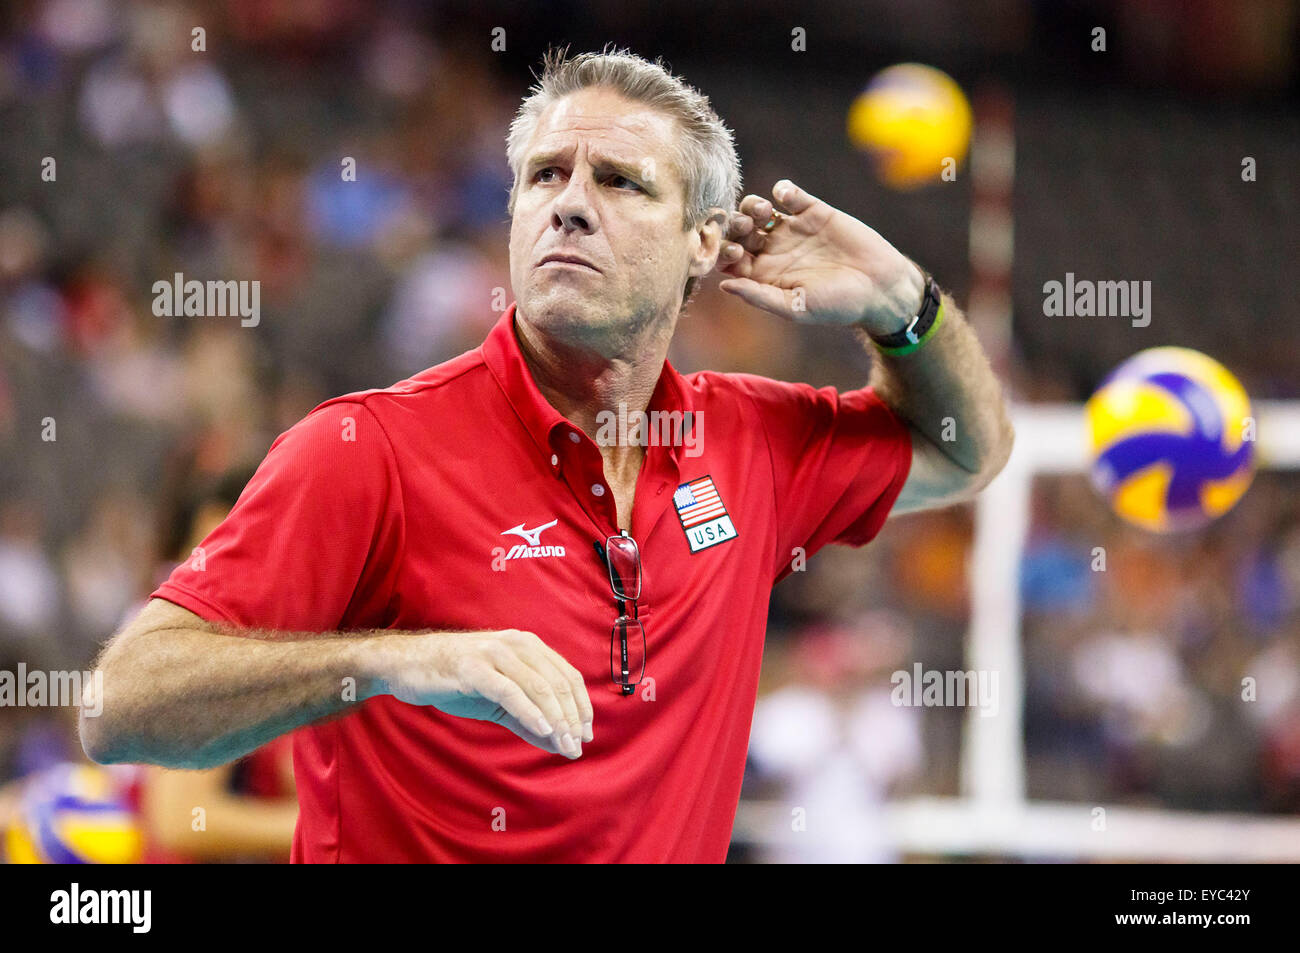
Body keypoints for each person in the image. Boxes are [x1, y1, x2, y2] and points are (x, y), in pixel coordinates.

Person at [81, 47, 1014, 862]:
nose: (569, 205)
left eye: (619, 181)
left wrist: (902, 304)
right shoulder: (367, 448)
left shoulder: (753, 441)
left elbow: (968, 454)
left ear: (703, 244)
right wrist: (394, 663)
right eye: (544, 175)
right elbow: (122, 706)